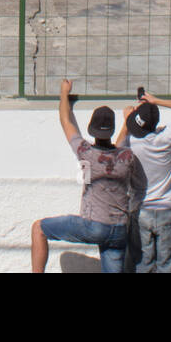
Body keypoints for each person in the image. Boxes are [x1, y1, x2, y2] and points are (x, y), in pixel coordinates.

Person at [31, 78, 134, 273]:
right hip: (119, 229)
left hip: (94, 226)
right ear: (111, 130)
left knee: (39, 228)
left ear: (92, 130)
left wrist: (63, 93)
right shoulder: (125, 157)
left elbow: (65, 121)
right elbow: (119, 147)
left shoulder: (86, 152)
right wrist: (127, 123)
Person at [117, 91, 171, 273]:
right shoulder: (168, 136)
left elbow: (117, 147)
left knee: (140, 266)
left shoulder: (132, 142)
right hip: (166, 211)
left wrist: (127, 119)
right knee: (167, 267)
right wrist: (155, 100)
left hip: (141, 211)